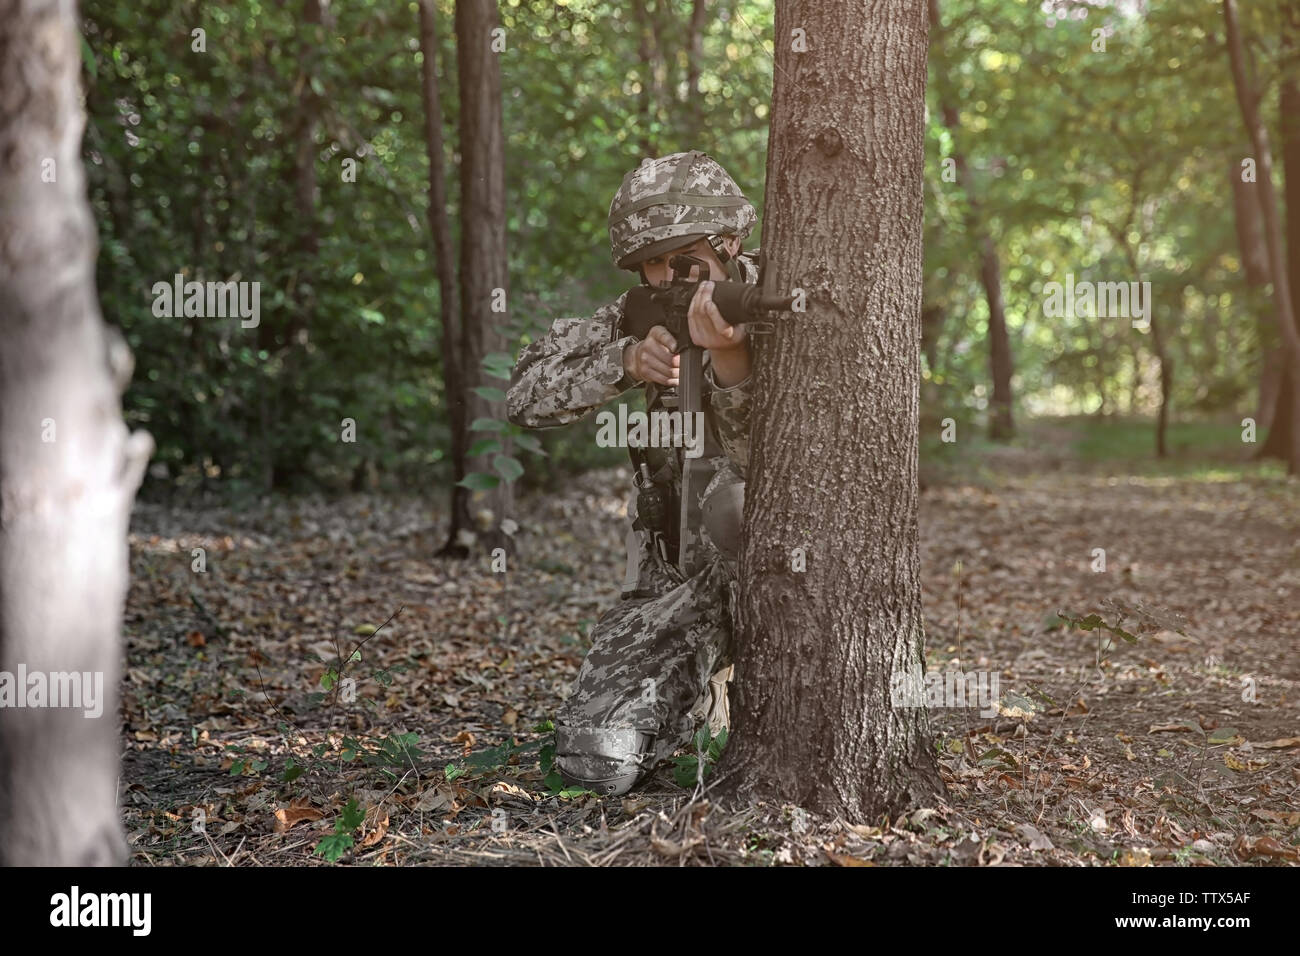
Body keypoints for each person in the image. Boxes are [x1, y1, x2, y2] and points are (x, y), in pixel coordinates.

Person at [507, 150, 760, 796]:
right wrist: (623, 360)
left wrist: (731, 360)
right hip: (669, 587)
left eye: (681, 257)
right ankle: (703, 697)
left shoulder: (761, 305)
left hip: (763, 581)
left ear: (729, 241)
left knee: (732, 507)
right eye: (650, 262)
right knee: (596, 762)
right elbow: (524, 391)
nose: (664, 275)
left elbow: (778, 465)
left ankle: (725, 689)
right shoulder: (638, 311)